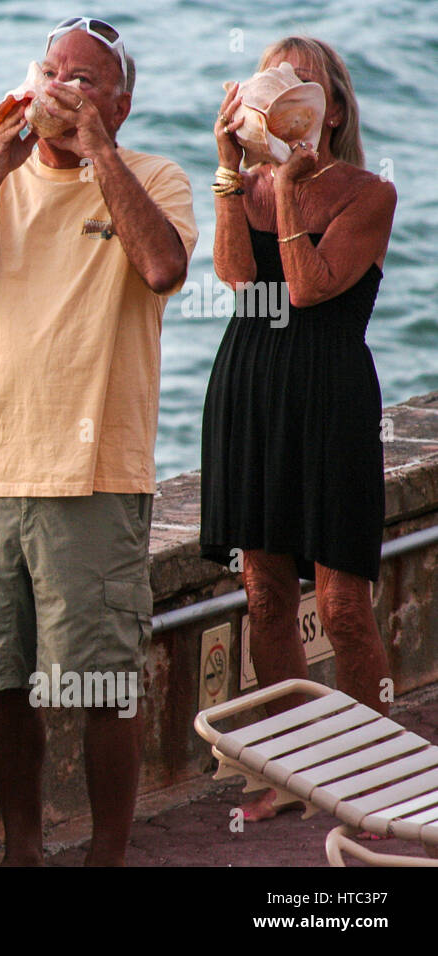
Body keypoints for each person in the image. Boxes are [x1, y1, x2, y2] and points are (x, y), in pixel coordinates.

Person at [0, 17, 196, 865]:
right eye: (51, 70)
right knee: (3, 685)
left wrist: (99, 155)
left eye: (83, 80)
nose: (61, 87)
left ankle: (110, 851)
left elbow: (162, 268)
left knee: (100, 686)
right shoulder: (1, 183)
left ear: (120, 104)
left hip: (93, 476)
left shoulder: (153, 177)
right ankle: (26, 848)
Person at [200, 37, 396, 821]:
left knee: (344, 602)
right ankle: (294, 771)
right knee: (265, 593)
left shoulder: (369, 192)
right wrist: (228, 168)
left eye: (303, 88)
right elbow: (239, 279)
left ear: (335, 108)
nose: (285, 101)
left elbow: (309, 290)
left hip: (330, 394)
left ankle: (377, 774)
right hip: (251, 388)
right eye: (272, 85)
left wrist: (284, 177)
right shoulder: (241, 185)